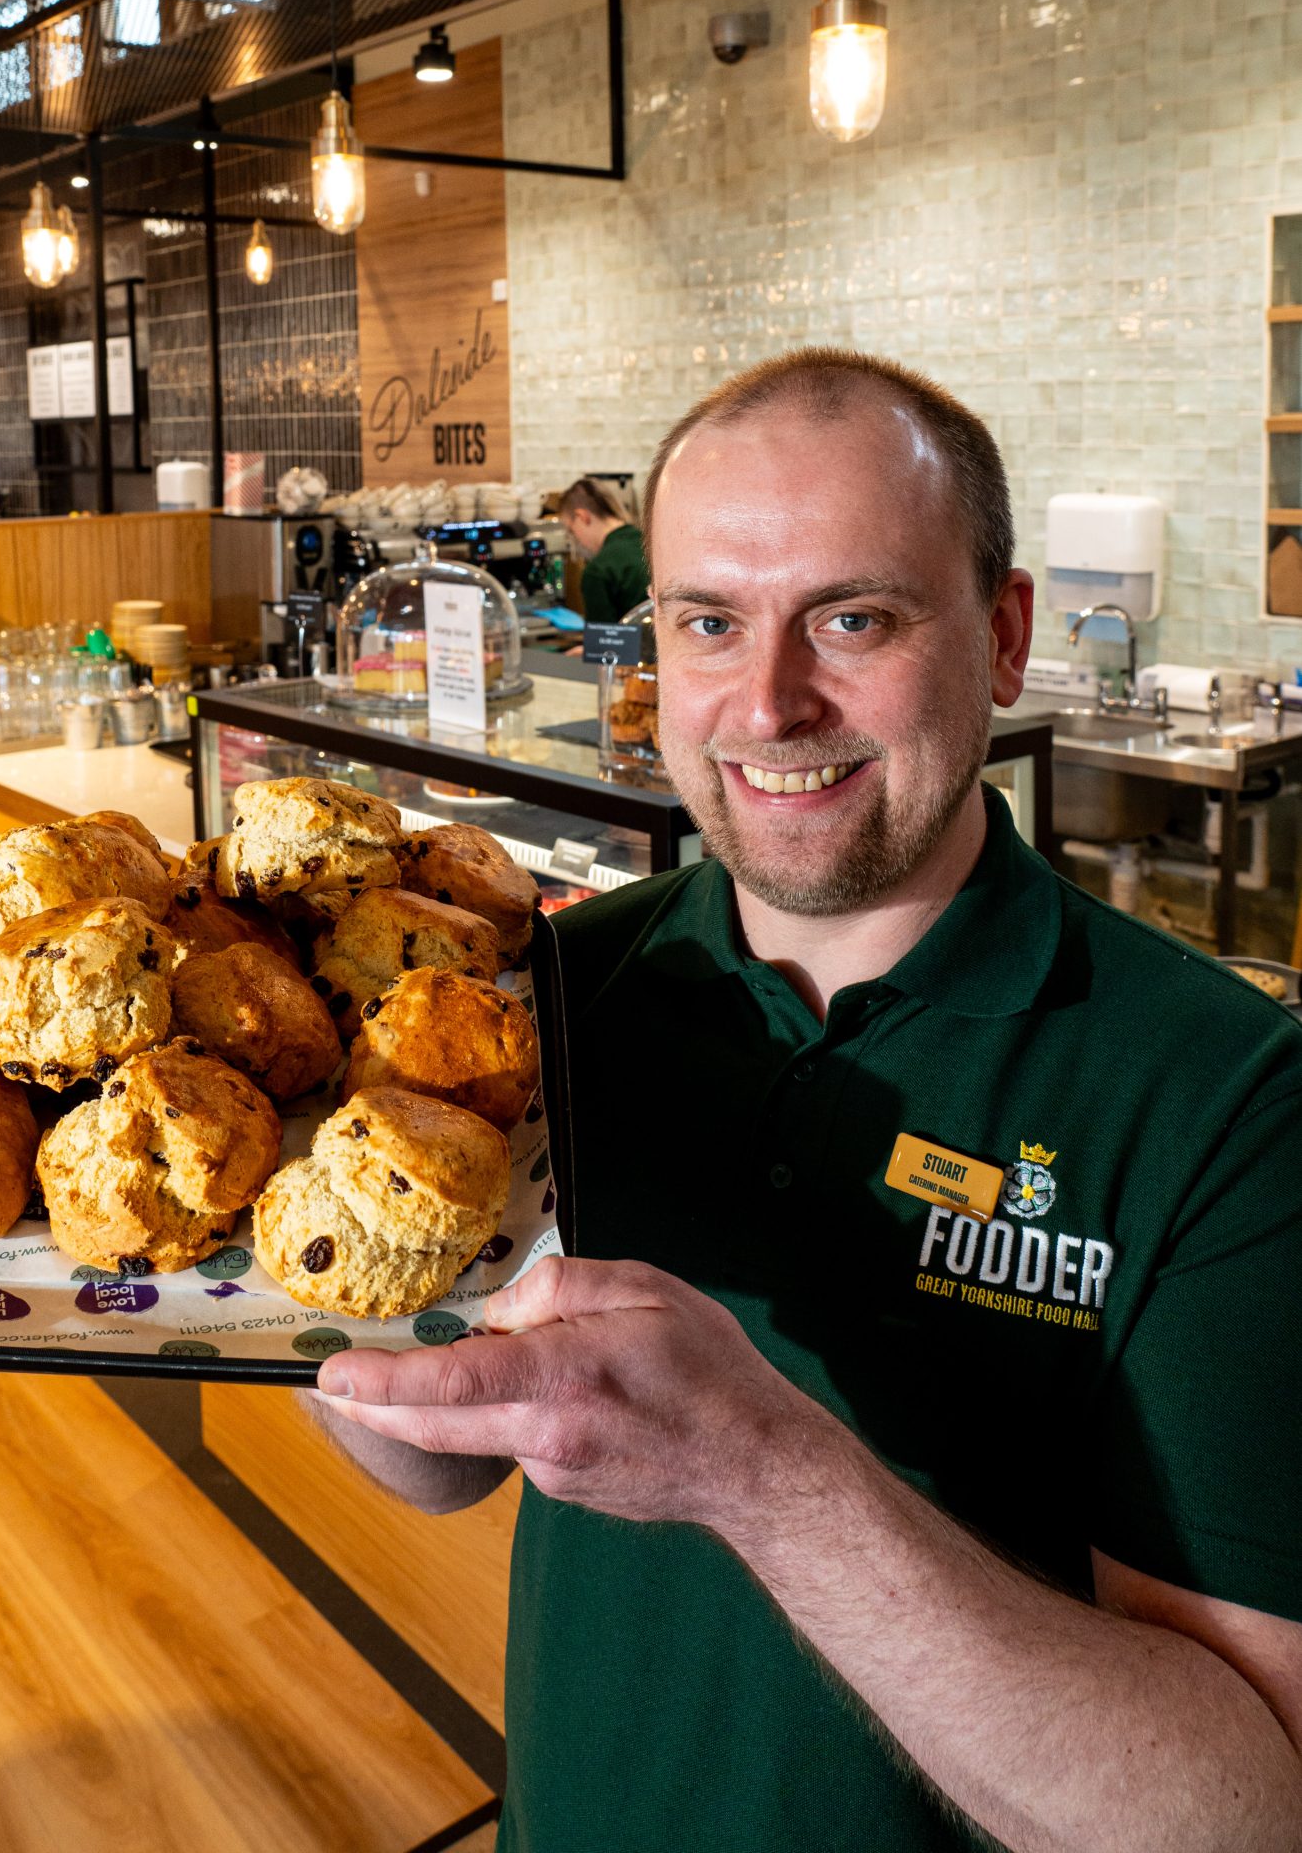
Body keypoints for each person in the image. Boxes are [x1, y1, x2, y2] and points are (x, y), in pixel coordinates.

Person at [310, 347, 1302, 1852]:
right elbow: (431, 1465)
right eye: (708, 622)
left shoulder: (1224, 1100)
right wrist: (302, 1257)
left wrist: (762, 1475)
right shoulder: (545, 1002)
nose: (766, 706)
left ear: (1006, 634)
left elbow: (1230, 1814)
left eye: (851, 618)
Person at [557, 476, 649, 623]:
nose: (576, 539)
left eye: (571, 530)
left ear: (582, 517)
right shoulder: (650, 541)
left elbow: (601, 642)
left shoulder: (598, 570)